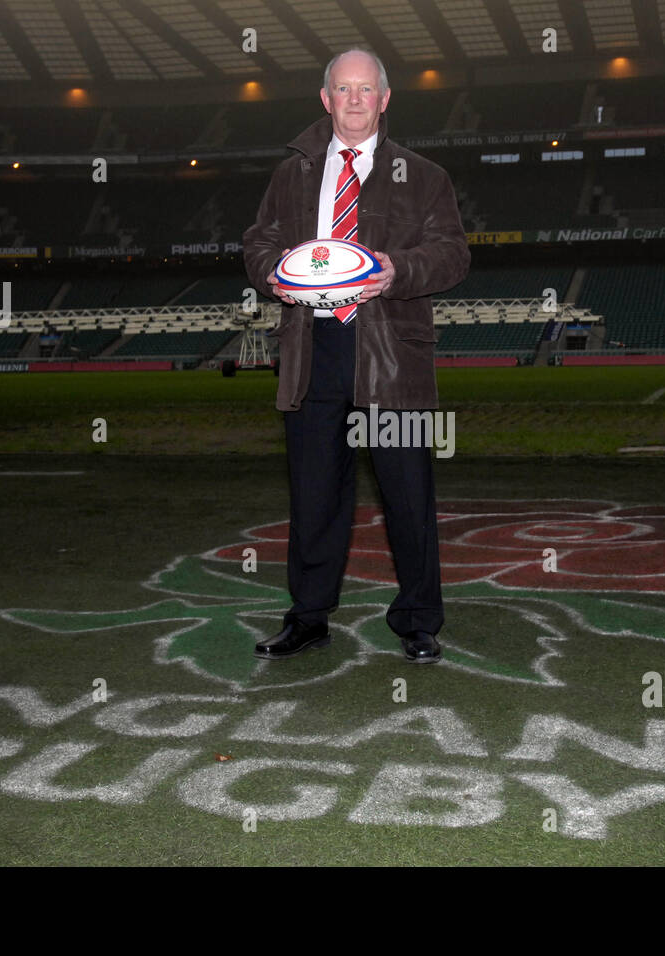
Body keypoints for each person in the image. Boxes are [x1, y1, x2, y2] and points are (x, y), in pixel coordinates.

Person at [242, 48, 470, 664]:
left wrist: (398, 270)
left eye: (365, 89)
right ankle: (309, 617)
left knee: (407, 495)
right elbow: (258, 239)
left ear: (385, 98)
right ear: (325, 99)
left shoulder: (424, 176)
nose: (354, 100)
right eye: (343, 89)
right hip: (313, 352)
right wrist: (277, 274)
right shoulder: (291, 174)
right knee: (315, 496)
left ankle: (418, 622)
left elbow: (454, 254)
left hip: (392, 356)